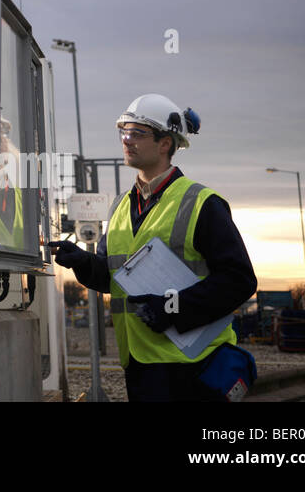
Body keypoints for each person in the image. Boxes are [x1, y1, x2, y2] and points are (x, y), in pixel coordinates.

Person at [48, 94, 257, 402]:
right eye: (124, 132)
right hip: (139, 363)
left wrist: (173, 309)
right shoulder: (120, 206)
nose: (126, 140)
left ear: (165, 144)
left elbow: (240, 281)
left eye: (137, 133)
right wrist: (83, 263)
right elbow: (113, 278)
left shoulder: (201, 203)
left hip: (193, 365)